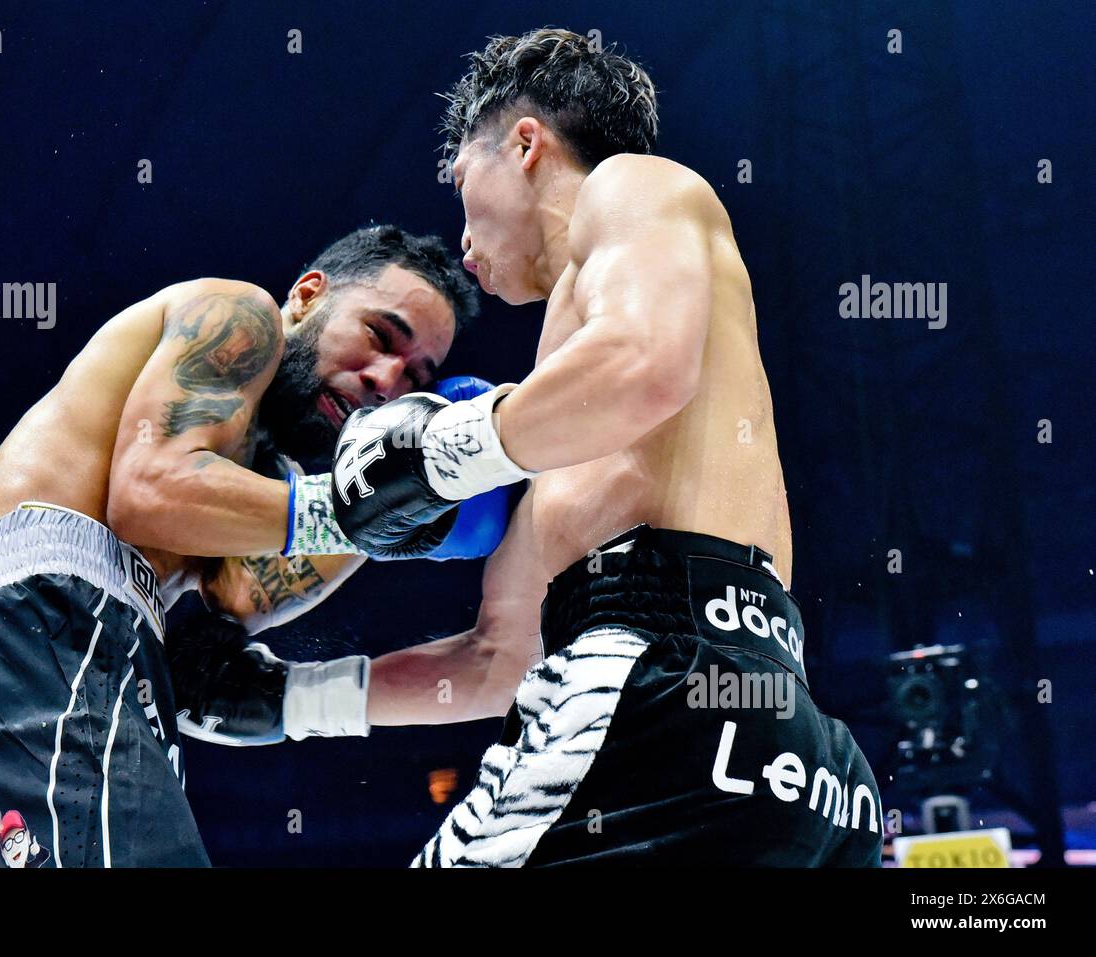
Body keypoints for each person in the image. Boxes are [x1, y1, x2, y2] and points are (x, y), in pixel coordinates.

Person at [201, 29, 884, 867]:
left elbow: (643, 366)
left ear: (524, 144)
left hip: (652, 696)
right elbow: (497, 662)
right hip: (786, 756)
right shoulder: (568, 435)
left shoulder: (633, 187)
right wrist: (290, 699)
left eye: (460, 180)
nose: (461, 235)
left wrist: (437, 450)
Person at [0, 225, 480, 867]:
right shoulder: (242, 315)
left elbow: (230, 609)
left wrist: (396, 506)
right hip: (48, 634)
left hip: (75, 670)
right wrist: (349, 513)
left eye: (415, 376)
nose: (386, 379)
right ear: (306, 296)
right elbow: (149, 492)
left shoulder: (256, 474)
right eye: (380, 337)